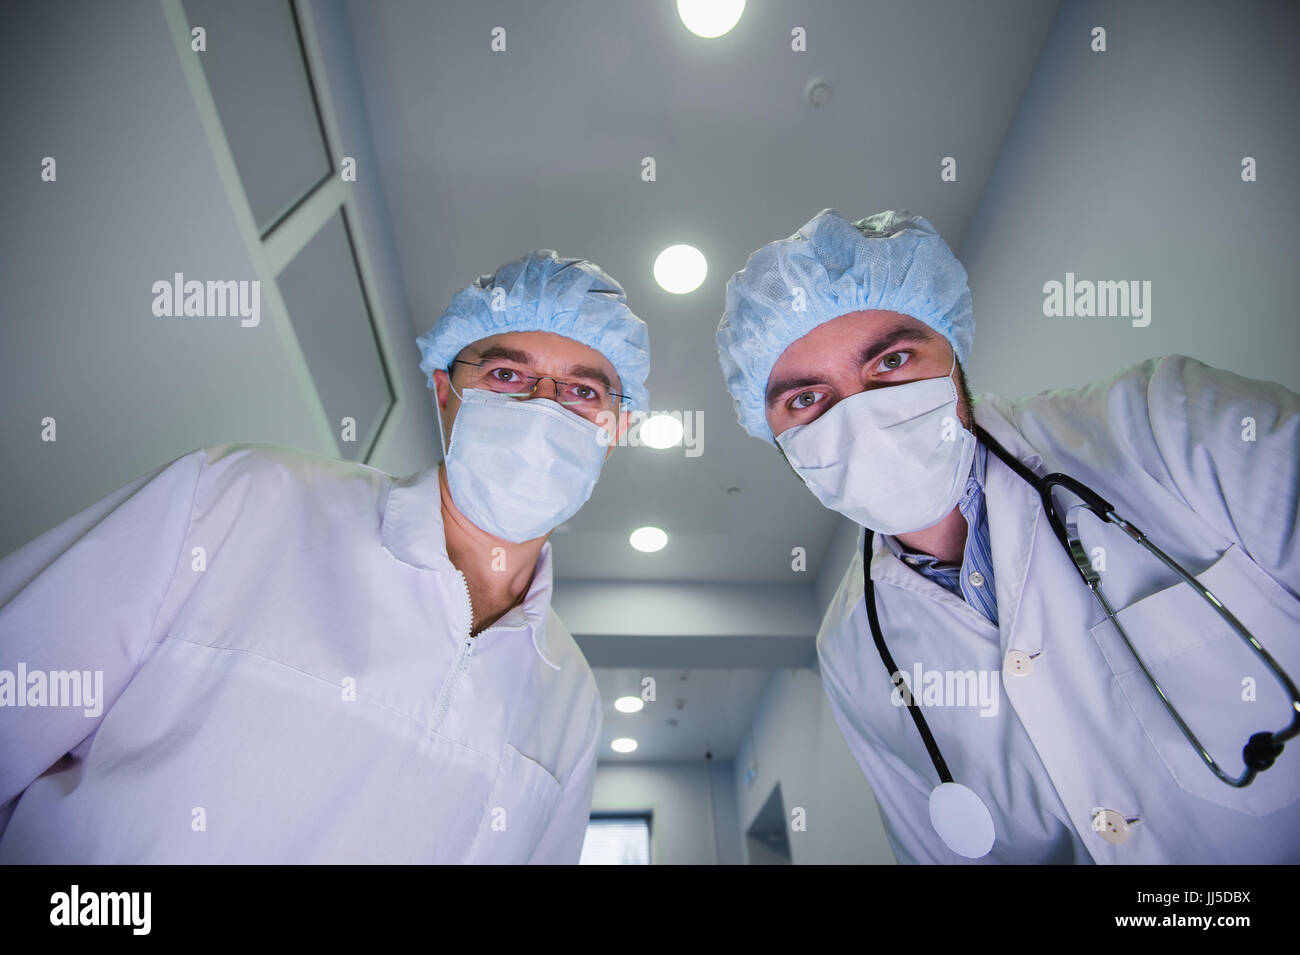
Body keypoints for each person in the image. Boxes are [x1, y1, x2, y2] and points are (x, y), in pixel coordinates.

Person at [0, 249, 649, 864]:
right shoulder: (241, 500)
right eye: (507, 375)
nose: (541, 409)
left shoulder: (570, 698)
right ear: (446, 392)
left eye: (582, 394)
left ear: (615, 432)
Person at [716, 208, 1300, 863]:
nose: (862, 414)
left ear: (955, 356)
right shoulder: (852, 650)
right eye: (805, 400)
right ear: (781, 444)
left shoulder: (1164, 424)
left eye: (893, 358)